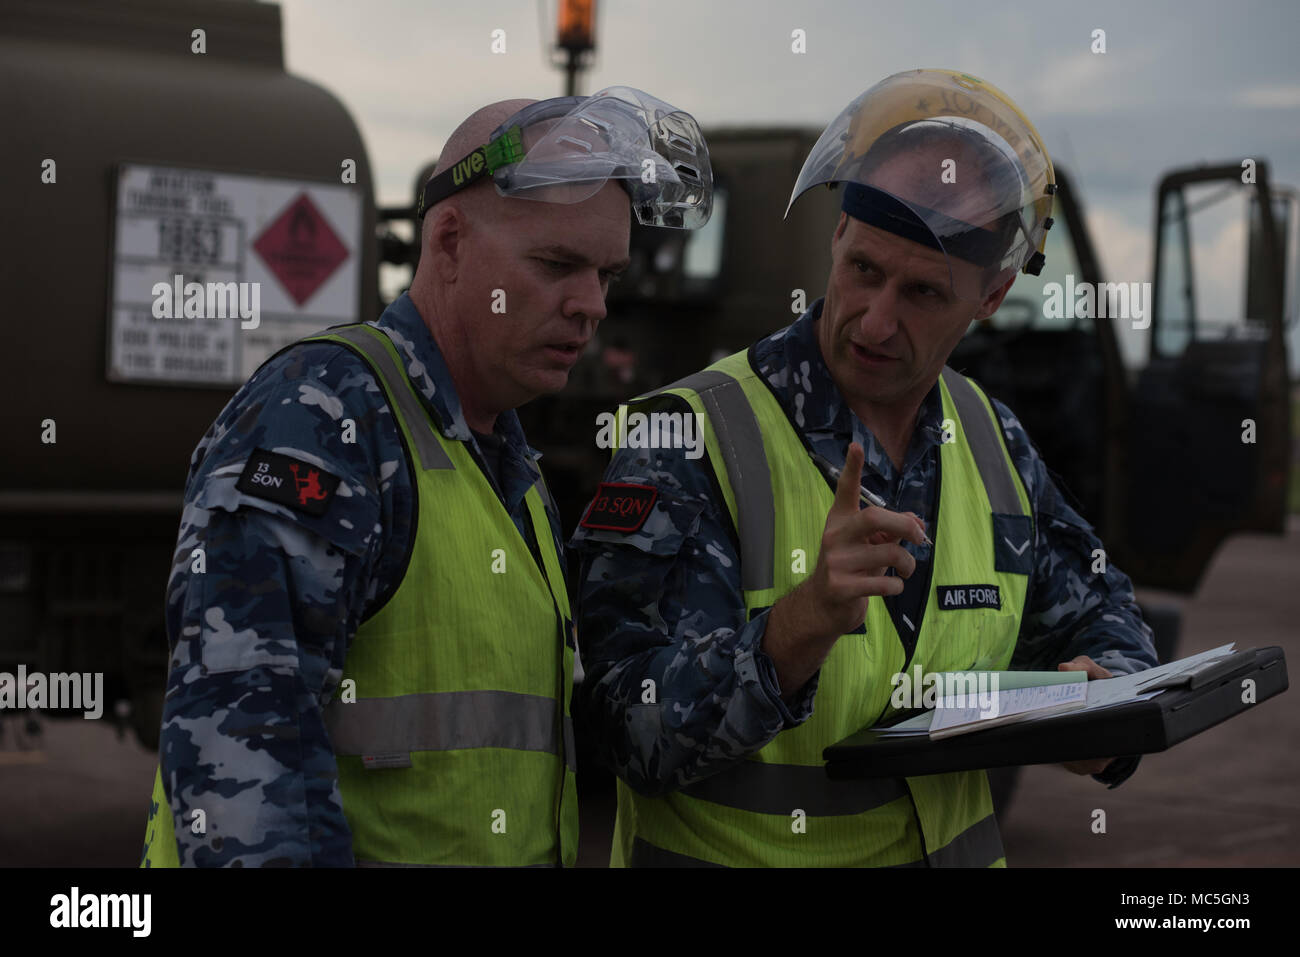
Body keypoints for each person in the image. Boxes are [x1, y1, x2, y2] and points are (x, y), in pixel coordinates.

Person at [569, 69, 1158, 867]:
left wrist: (1102, 703)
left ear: (991, 297)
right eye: (865, 272)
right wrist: (793, 631)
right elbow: (617, 725)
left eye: (923, 292)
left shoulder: (992, 438)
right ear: (838, 236)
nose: (878, 320)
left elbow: (1102, 606)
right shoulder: (692, 437)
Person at [139, 87, 713, 867]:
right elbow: (241, 750)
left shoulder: (509, 470)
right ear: (447, 243)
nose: (590, 305)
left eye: (606, 274)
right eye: (557, 265)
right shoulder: (324, 418)